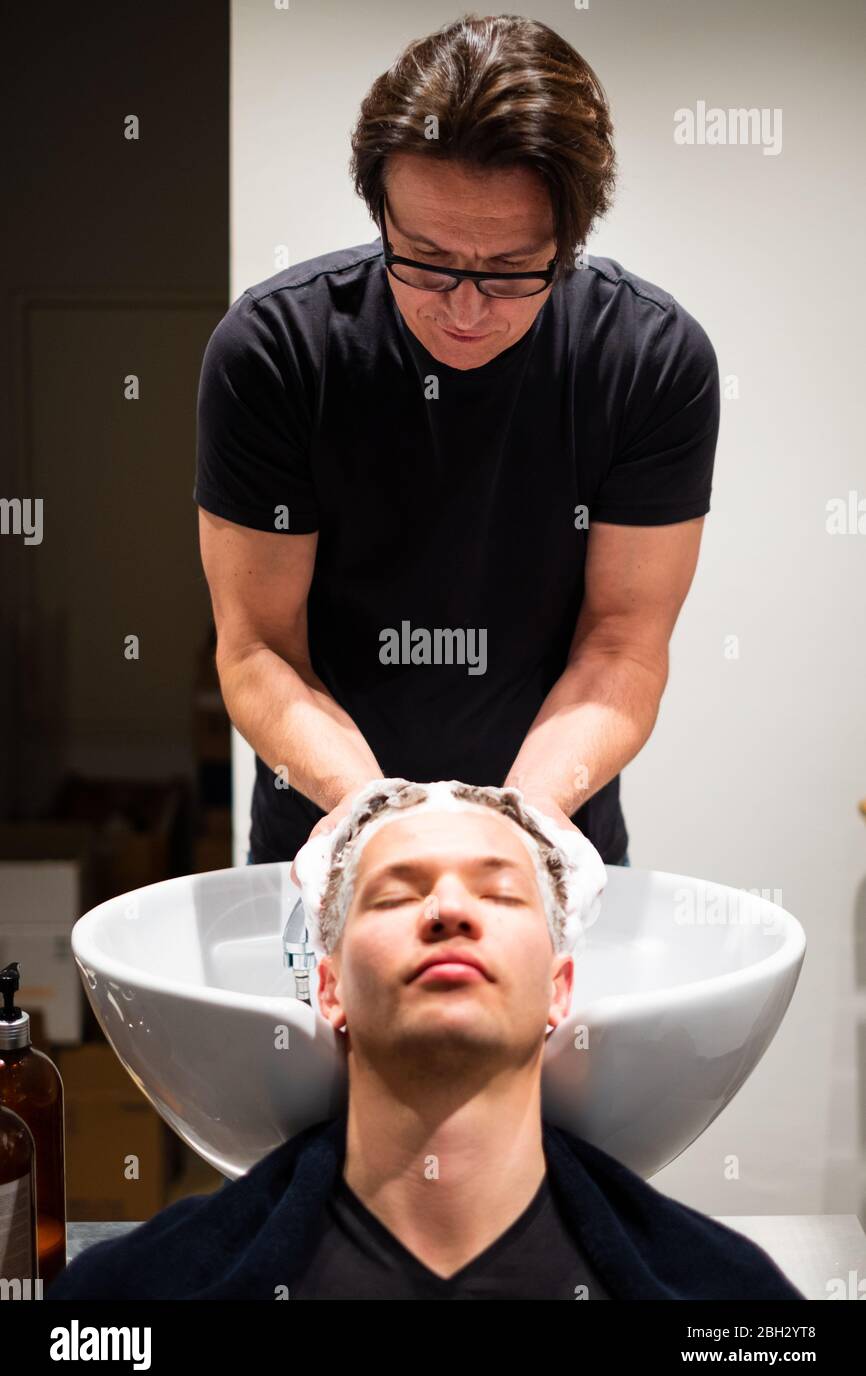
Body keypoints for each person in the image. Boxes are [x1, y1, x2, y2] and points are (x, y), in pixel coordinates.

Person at [193, 15, 720, 877]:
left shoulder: (650, 361)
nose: (465, 310)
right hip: (325, 834)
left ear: (571, 243)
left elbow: (622, 647)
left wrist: (522, 823)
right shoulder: (276, 352)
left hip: (549, 831)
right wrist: (375, 814)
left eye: (512, 270)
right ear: (381, 214)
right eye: (427, 261)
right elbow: (257, 649)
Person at [48, 782, 804, 1300]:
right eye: (398, 892)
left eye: (499, 891)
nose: (448, 908)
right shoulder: (129, 1301)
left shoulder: (730, 1303)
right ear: (330, 988)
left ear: (560, 990)